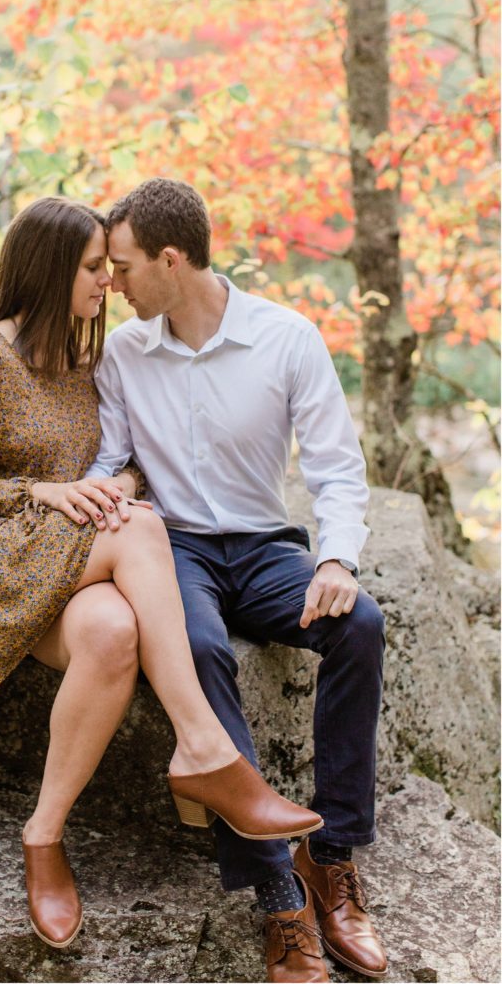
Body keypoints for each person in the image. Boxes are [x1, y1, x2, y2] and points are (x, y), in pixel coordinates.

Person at [0, 196, 322, 951]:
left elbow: (124, 456)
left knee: (113, 631)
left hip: (67, 559)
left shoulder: (88, 360)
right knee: (140, 531)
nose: (108, 281)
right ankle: (203, 745)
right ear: (47, 271)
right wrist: (41, 490)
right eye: (93, 267)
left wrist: (120, 486)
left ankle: (43, 833)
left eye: (110, 266)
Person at [87, 178, 388, 983]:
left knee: (361, 625)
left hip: (264, 549)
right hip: (174, 549)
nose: (111, 282)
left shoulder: (286, 338)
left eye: (122, 266)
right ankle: (279, 897)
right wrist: (109, 483)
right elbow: (109, 456)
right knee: (197, 647)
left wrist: (335, 558)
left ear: (171, 259)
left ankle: (334, 856)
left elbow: (336, 470)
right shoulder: (125, 350)